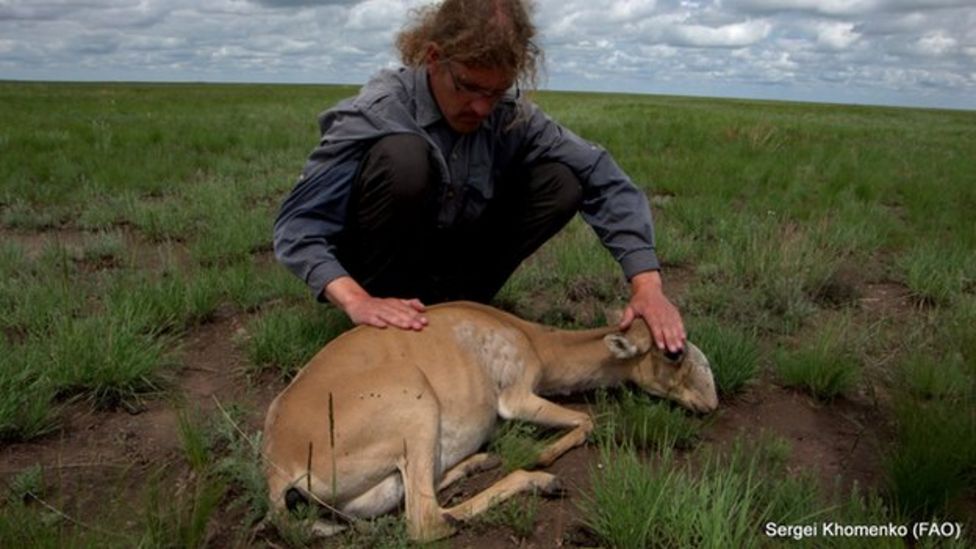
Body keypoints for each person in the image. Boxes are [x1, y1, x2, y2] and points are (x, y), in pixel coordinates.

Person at [273, 0, 686, 353]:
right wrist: (357, 300)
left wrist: (647, 286)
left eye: (496, 91)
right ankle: (388, 316)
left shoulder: (509, 116)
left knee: (565, 180)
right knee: (404, 158)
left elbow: (600, 172)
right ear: (434, 58)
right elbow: (298, 227)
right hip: (380, 278)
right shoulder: (380, 110)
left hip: (452, 267)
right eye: (469, 86)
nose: (482, 108)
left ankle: (460, 305)